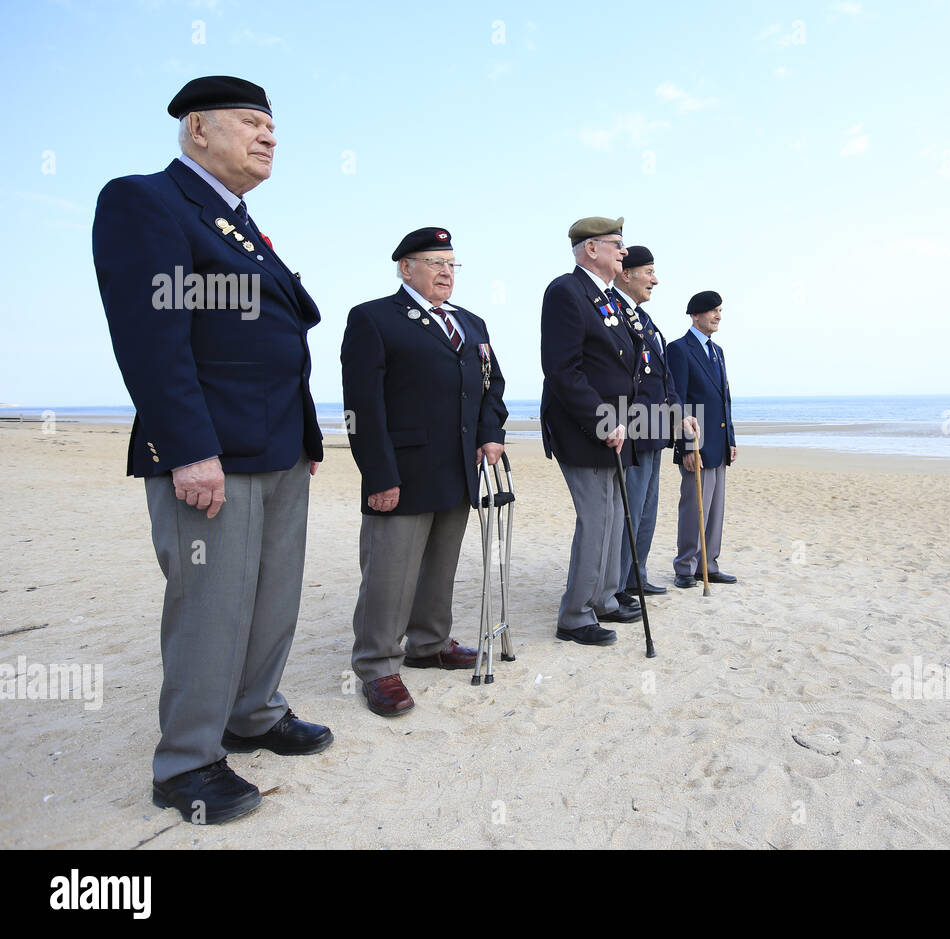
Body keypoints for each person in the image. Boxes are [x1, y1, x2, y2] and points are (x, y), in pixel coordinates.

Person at [92, 75, 332, 825]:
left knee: (272, 597)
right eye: (250, 122)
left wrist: (309, 436)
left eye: (272, 126)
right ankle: (188, 762)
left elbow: (276, 333)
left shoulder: (241, 223)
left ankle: (253, 713)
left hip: (280, 444)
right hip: (213, 448)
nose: (268, 136)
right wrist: (188, 448)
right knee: (211, 606)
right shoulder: (148, 201)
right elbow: (152, 338)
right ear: (197, 130)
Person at [341, 227, 507, 716]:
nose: (445, 272)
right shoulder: (374, 319)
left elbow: (490, 386)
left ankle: (430, 644)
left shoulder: (471, 323)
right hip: (402, 470)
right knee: (389, 574)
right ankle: (377, 665)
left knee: (440, 566)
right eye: (435, 262)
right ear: (405, 267)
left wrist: (490, 432)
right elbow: (362, 407)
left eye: (452, 264)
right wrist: (379, 475)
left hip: (458, 467)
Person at [539, 216, 642, 646]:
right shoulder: (566, 291)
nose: (624, 252)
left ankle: (603, 598)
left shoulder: (609, 299)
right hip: (586, 428)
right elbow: (562, 369)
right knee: (597, 520)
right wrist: (602, 420)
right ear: (591, 249)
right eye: (617, 244)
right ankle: (575, 616)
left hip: (616, 426)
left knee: (616, 519)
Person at [610, 246, 697, 604]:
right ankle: (615, 584)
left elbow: (666, 381)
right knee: (627, 512)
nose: (655, 280)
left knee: (646, 509)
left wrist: (679, 414)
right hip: (630, 430)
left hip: (654, 430)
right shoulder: (612, 314)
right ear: (626, 274)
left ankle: (636, 576)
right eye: (648, 271)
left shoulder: (646, 322)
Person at [666, 291, 739, 588]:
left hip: (718, 442)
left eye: (720, 310)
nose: (718, 316)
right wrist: (684, 445)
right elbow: (677, 400)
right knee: (693, 507)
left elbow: (725, 399)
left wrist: (730, 439)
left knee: (714, 510)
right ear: (695, 314)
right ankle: (685, 567)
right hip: (695, 442)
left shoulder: (718, 351)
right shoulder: (678, 350)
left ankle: (707, 564)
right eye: (713, 311)